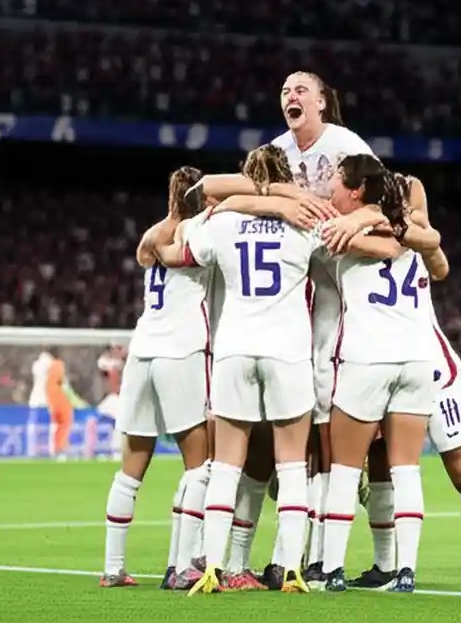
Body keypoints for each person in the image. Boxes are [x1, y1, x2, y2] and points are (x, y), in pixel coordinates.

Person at [195, 71, 376, 582]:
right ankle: (296, 561)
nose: (290, 97)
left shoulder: (345, 145)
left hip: (335, 298)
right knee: (293, 448)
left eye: (301, 90)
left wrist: (352, 221)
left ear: (322, 102)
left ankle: (228, 560)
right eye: (283, 91)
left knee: (283, 440)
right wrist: (282, 198)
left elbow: (209, 196)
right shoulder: (282, 167)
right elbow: (217, 189)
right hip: (295, 310)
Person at [330, 175, 461, 594]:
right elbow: (436, 262)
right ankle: (387, 565)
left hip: (433, 367)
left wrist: (418, 235)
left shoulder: (405, 233)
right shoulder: (387, 232)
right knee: (383, 460)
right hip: (388, 361)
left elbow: (439, 264)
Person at [171, 146, 330, 595]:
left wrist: (244, 201)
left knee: (225, 466)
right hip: (287, 352)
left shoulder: (220, 221)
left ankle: (213, 567)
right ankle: (293, 569)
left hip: (234, 349)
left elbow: (192, 227)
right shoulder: (306, 220)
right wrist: (282, 203)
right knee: (293, 465)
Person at [313, 155, 442, 594]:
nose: (328, 186)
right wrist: (396, 231)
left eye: (334, 179)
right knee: (406, 470)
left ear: (354, 190)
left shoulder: (342, 227)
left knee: (345, 469)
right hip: (417, 359)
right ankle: (405, 571)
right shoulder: (410, 229)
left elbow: (365, 242)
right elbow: (416, 243)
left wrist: (351, 231)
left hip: (368, 359)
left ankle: (331, 570)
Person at [99, 167, 213, 589]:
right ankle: (180, 565)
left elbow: (148, 254)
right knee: (199, 466)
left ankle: (113, 568)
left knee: (130, 468)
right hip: (181, 351)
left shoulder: (153, 233)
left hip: (142, 351)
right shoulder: (201, 232)